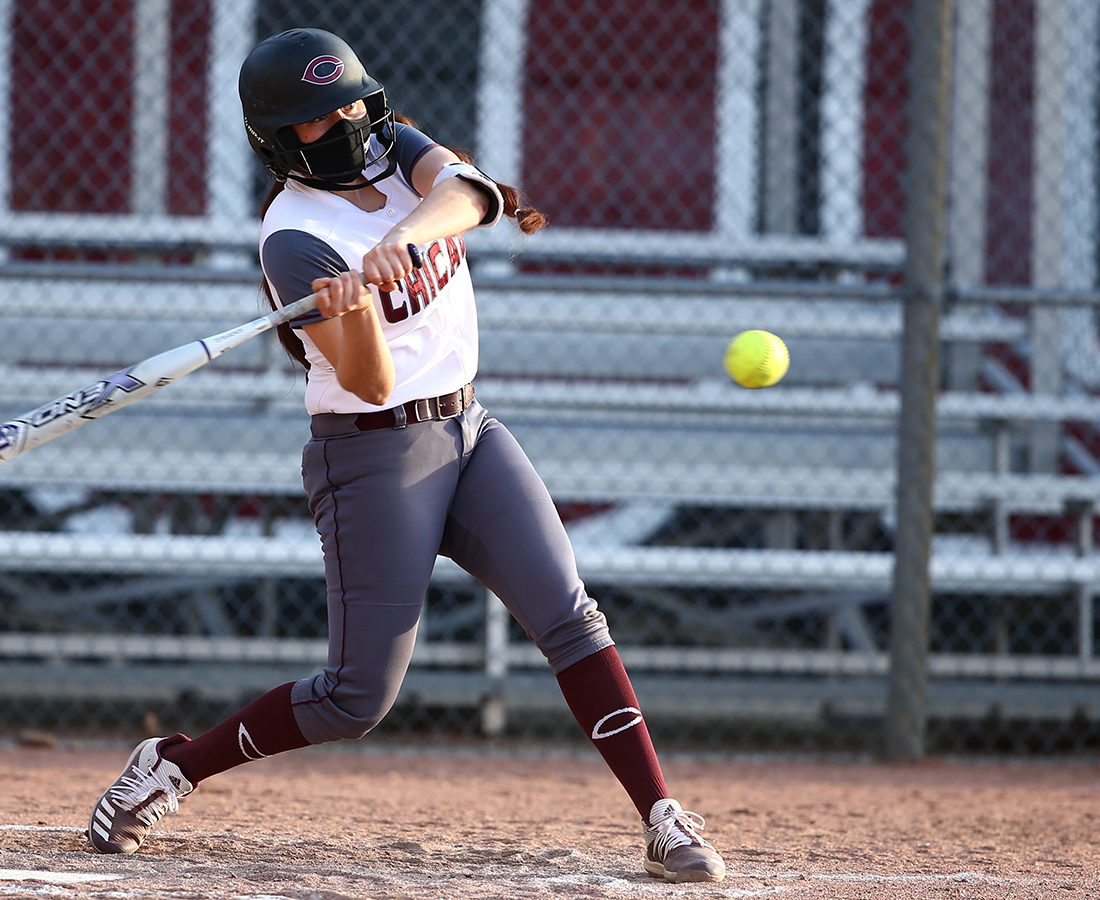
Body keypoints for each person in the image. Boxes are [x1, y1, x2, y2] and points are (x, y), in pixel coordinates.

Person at [86, 27, 726, 884]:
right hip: (374, 456)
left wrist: (410, 239)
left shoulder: (396, 150)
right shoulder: (294, 239)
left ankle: (662, 816)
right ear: (281, 140)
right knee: (356, 698)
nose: (346, 120)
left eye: (349, 101)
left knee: (571, 618)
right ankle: (174, 764)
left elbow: (470, 195)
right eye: (319, 116)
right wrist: (347, 307)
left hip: (471, 430)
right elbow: (371, 378)